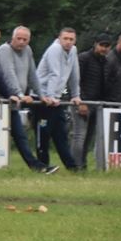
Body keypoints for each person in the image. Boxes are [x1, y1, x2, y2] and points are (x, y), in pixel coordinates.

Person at [0, 25, 57, 173]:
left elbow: (32, 74)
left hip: (14, 102)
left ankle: (37, 167)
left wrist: (41, 95)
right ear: (12, 38)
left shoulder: (27, 51)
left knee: (21, 136)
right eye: (18, 38)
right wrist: (20, 95)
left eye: (25, 40)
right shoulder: (4, 50)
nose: (21, 42)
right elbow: (9, 75)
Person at [34, 27, 82, 172]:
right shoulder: (55, 49)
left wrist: (75, 95)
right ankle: (43, 166)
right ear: (59, 38)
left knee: (61, 134)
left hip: (56, 98)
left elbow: (74, 74)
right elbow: (54, 74)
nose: (68, 42)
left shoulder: (73, 50)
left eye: (71, 39)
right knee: (44, 133)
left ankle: (72, 167)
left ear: (75, 40)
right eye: (65, 39)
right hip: (42, 97)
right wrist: (51, 97)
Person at [73, 34, 109, 169]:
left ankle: (83, 164)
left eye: (106, 46)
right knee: (79, 136)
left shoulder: (105, 62)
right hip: (82, 102)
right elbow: (75, 81)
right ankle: (75, 165)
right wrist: (80, 100)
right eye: (101, 45)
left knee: (88, 137)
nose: (104, 49)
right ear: (95, 44)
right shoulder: (83, 58)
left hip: (97, 104)